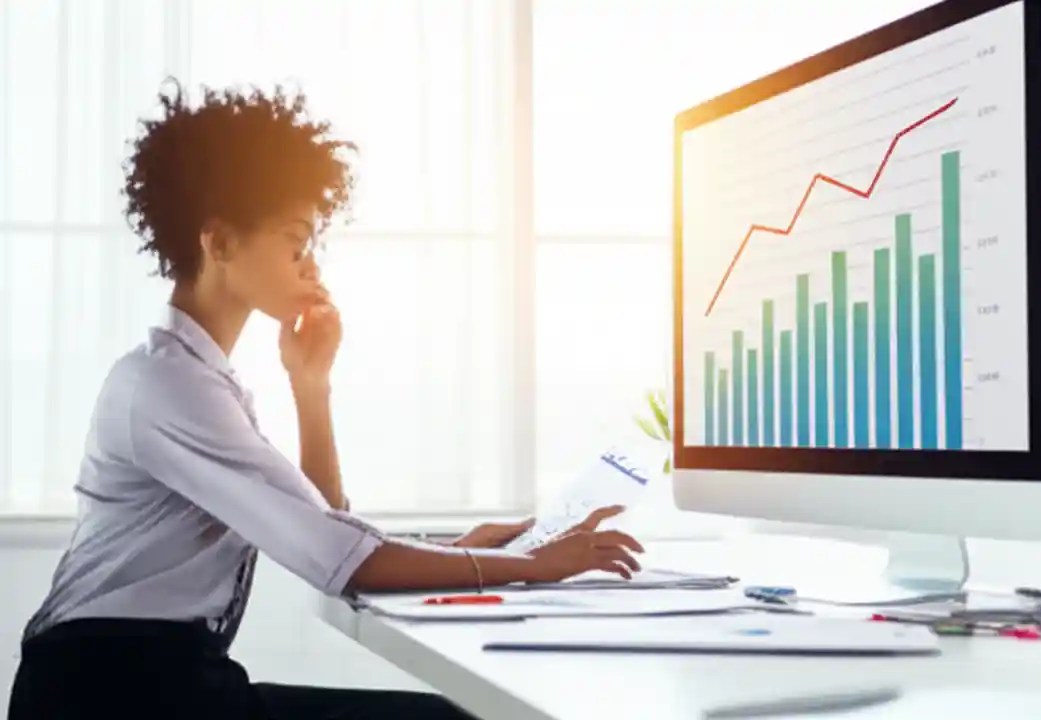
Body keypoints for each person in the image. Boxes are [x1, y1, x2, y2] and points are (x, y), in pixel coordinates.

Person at [7, 81, 644, 720]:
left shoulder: (200, 379)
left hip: (158, 684)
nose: (310, 264)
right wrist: (533, 566)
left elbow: (326, 525)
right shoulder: (168, 388)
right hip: (109, 693)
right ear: (220, 243)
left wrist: (310, 388)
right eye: (296, 239)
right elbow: (341, 559)